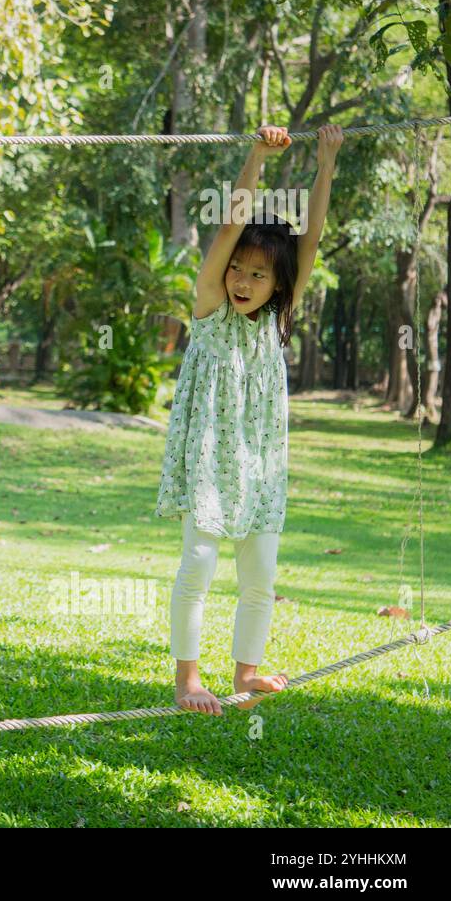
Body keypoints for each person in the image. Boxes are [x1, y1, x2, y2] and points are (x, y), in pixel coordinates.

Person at [156, 122, 343, 714]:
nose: (243, 280)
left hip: (261, 461)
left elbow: (309, 238)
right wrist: (256, 158)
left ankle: (245, 674)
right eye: (238, 268)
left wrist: (325, 163)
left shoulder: (276, 319)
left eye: (259, 274)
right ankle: (188, 680)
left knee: (260, 573)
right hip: (210, 453)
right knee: (199, 564)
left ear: (278, 284)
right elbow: (231, 225)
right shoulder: (210, 307)